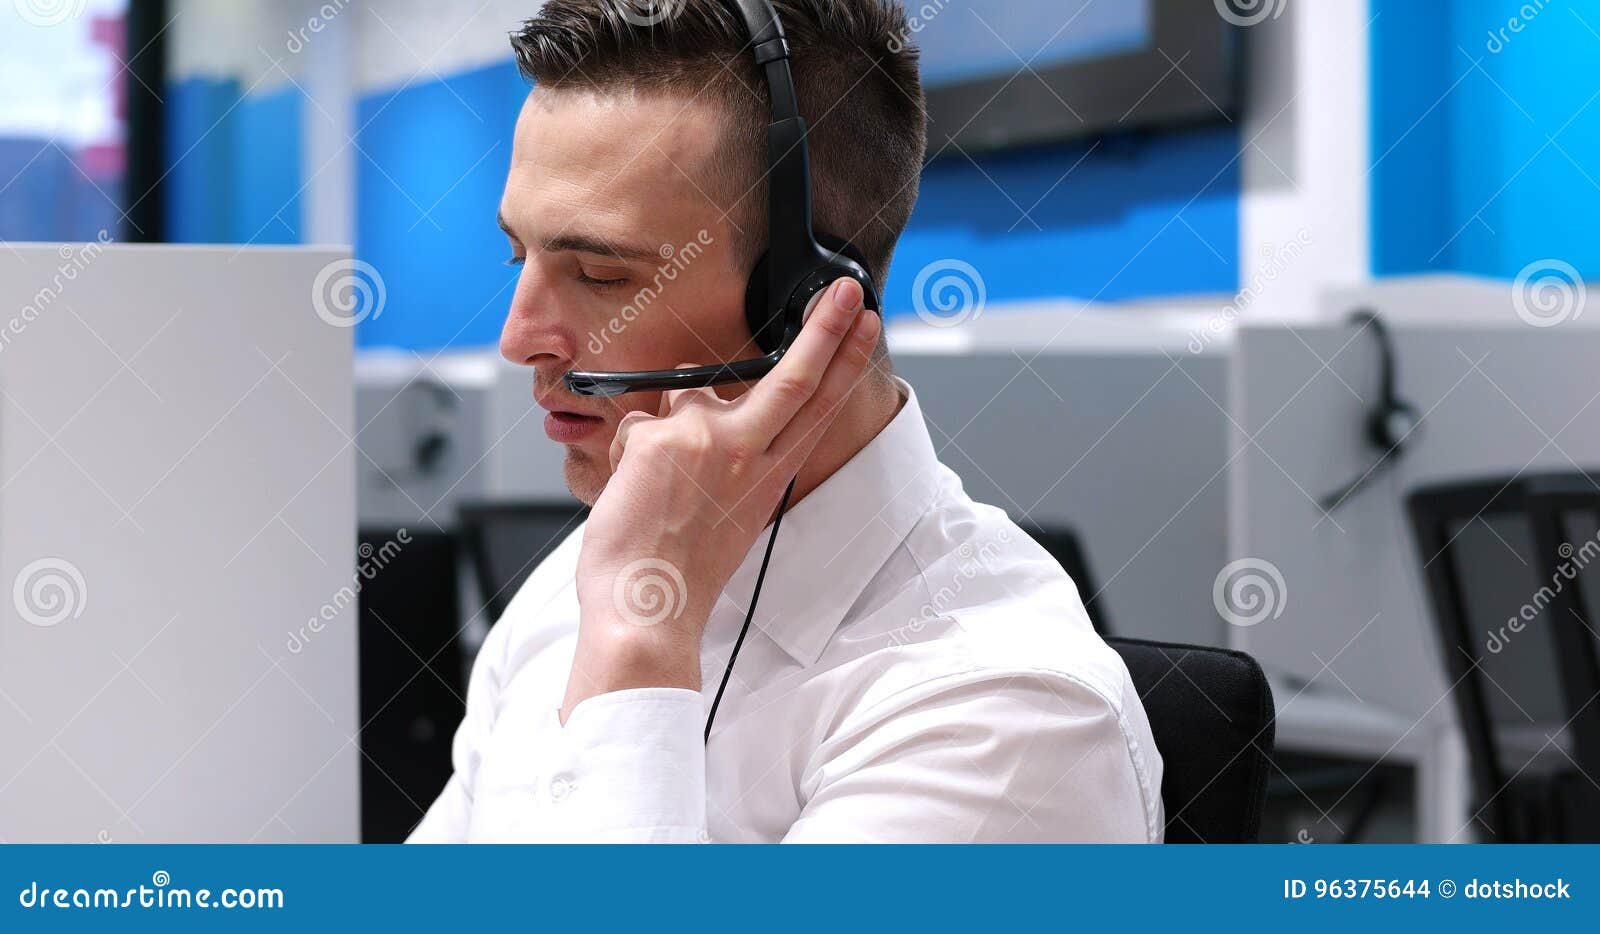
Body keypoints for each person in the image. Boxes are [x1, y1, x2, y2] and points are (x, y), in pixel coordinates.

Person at [410, 0, 1162, 843]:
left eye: (599, 275)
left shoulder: (1004, 714)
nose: (518, 340)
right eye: (521, 255)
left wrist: (641, 640)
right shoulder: (565, 590)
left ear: (801, 308)